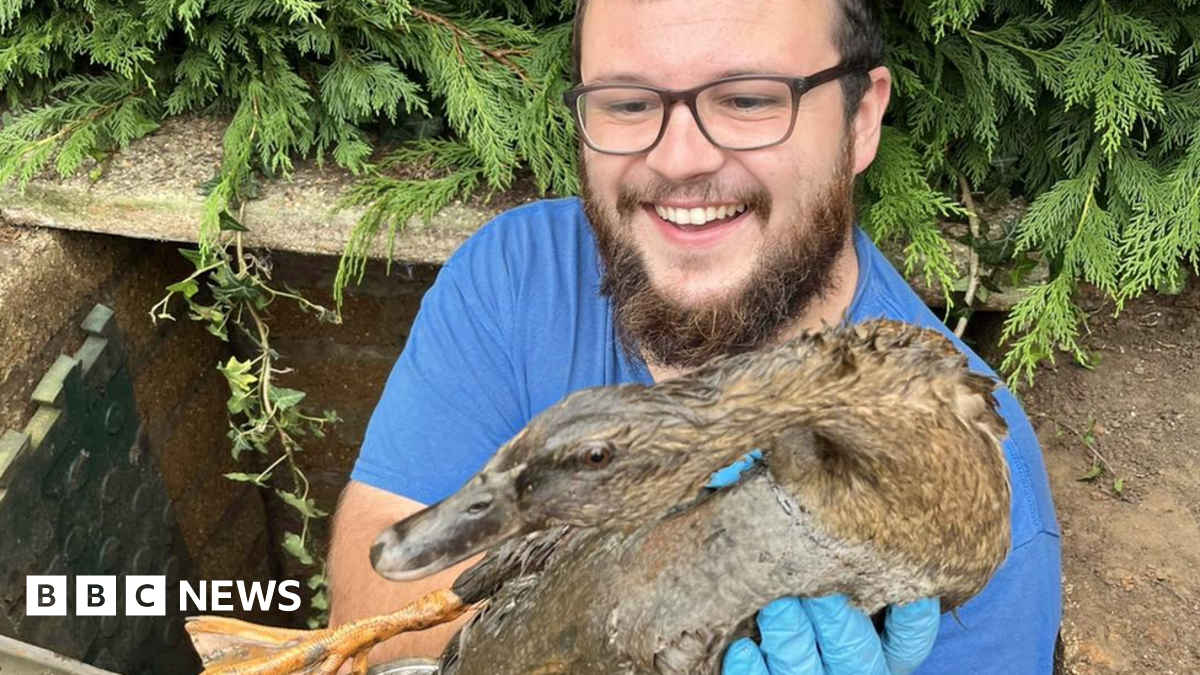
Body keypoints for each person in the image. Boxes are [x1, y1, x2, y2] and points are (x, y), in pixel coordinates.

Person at [328, 0, 1063, 672]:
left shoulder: (976, 509)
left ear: (860, 118)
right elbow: (371, 594)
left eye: (747, 98)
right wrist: (594, 610)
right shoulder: (516, 271)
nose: (679, 159)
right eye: (627, 102)